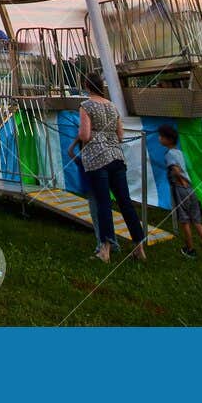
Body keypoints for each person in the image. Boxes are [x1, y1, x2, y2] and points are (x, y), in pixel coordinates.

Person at [67, 75, 146, 263]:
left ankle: (105, 249)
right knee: (125, 203)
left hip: (96, 159)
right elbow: (120, 135)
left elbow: (84, 135)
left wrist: (83, 137)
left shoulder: (86, 106)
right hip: (116, 157)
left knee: (103, 204)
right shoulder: (112, 106)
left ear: (86, 86)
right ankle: (139, 247)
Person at [159, 123, 202, 261]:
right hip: (191, 190)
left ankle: (190, 249)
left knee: (185, 221)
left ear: (168, 139)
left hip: (180, 190)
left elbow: (175, 170)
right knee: (197, 222)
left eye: (161, 136)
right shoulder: (181, 153)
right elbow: (187, 168)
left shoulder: (169, 155)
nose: (159, 139)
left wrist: (181, 181)